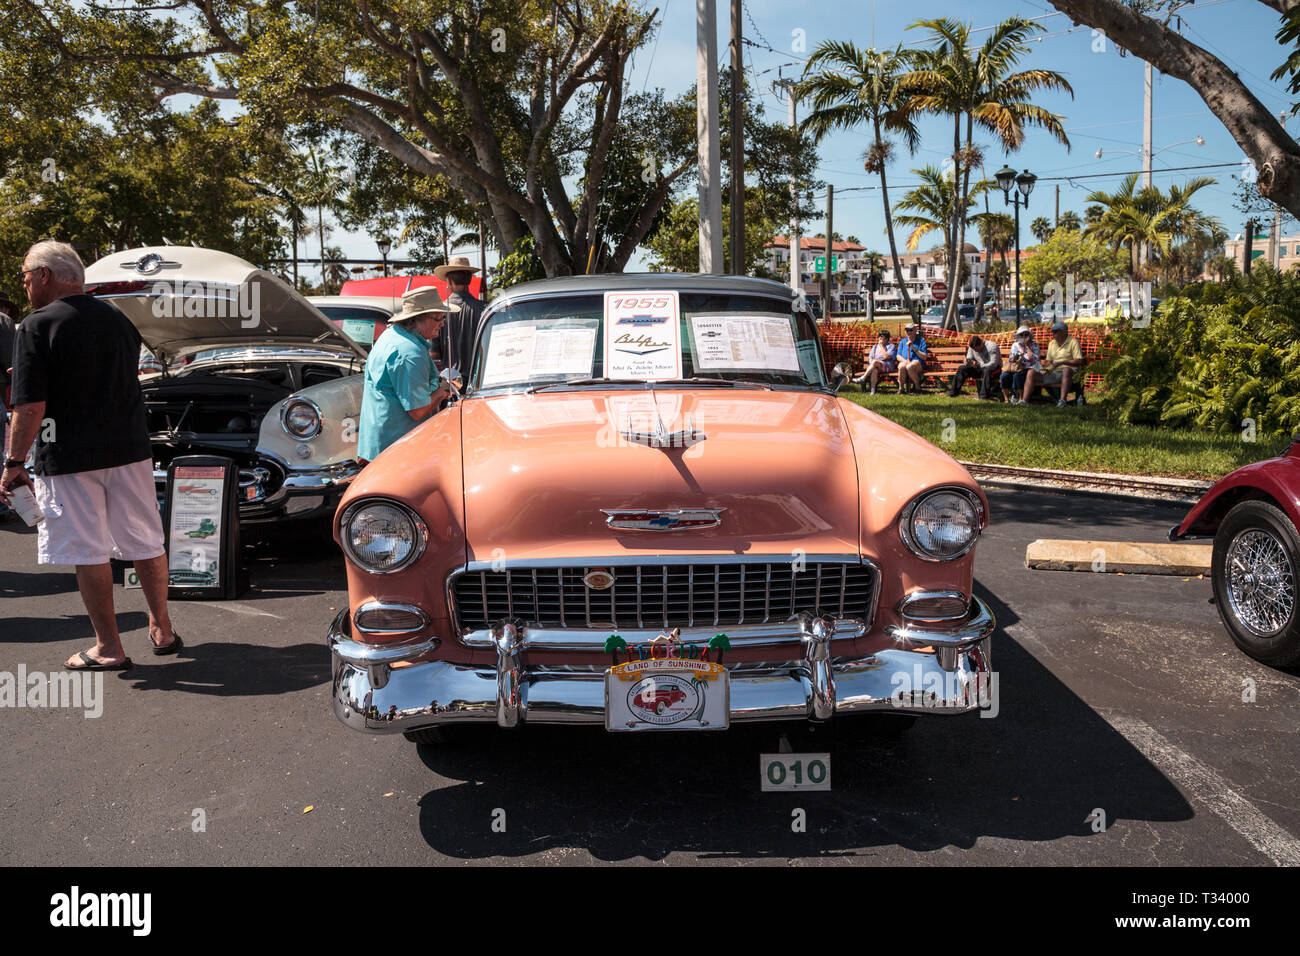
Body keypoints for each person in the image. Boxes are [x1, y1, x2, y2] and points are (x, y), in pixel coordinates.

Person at [1, 241, 180, 669]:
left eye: (27, 276)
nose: (25, 285)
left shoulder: (35, 325)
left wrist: (13, 463)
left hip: (69, 455)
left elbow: (30, 407)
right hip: (128, 448)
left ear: (46, 275)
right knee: (145, 539)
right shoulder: (118, 318)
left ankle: (109, 647)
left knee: (87, 550)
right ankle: (163, 628)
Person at [357, 286, 452, 464]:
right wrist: (444, 390)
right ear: (417, 319)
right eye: (438, 318)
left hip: (380, 446)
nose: (442, 323)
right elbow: (417, 410)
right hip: (398, 452)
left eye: (443, 317)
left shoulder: (391, 335)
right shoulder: (410, 353)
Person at [434, 255, 484, 377]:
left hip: (451, 386)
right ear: (470, 279)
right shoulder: (485, 310)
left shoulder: (438, 312)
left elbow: (434, 356)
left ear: (449, 281)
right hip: (480, 383)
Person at [1032, 320, 1087, 407]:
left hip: (1070, 373)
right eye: (1052, 331)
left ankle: (1062, 400)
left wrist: (1063, 362)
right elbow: (1048, 361)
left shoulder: (1073, 342)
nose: (1053, 333)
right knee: (1031, 373)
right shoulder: (1052, 343)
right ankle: (1024, 400)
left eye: (1055, 331)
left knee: (1066, 370)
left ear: (1064, 332)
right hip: (1054, 372)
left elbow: (1079, 360)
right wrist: (1047, 366)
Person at [948, 335, 1002, 400]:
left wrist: (979, 365)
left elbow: (993, 364)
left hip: (993, 370)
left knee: (987, 370)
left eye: (976, 349)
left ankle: (983, 396)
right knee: (962, 368)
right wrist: (967, 361)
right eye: (974, 349)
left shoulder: (992, 346)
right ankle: (953, 393)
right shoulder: (972, 347)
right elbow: (969, 357)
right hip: (979, 368)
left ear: (981, 344)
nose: (975, 350)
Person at [999, 326, 1042, 405]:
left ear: (1029, 336)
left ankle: (1021, 398)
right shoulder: (1015, 345)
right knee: (1004, 375)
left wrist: (1027, 347)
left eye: (1026, 335)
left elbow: (1035, 359)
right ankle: (1006, 399)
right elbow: (1010, 360)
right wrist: (1014, 358)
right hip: (1017, 367)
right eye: (1022, 335)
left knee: (1018, 375)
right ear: (1018, 336)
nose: (1024, 337)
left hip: (1030, 368)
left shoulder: (1034, 345)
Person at [853, 329, 896, 394]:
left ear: (887, 338)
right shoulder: (875, 347)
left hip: (887, 367)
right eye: (879, 336)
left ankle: (863, 378)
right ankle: (872, 391)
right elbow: (870, 358)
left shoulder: (891, 346)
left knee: (875, 362)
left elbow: (887, 357)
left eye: (882, 336)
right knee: (874, 370)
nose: (880, 338)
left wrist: (881, 346)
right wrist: (878, 360)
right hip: (876, 366)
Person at [895, 323, 929, 394]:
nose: (908, 332)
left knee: (910, 366)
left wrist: (913, 347)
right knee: (901, 366)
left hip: (917, 362)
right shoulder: (902, 341)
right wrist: (905, 361)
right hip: (905, 362)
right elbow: (898, 356)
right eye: (907, 330)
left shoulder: (921, 341)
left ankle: (917, 387)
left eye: (910, 330)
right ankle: (901, 389)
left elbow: (924, 357)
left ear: (915, 331)